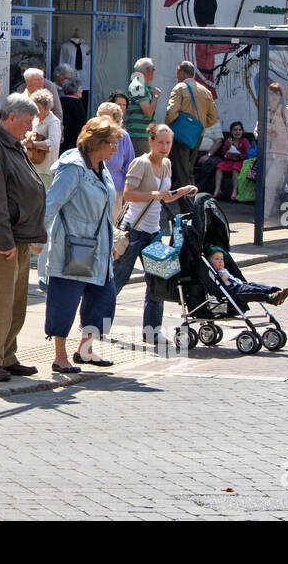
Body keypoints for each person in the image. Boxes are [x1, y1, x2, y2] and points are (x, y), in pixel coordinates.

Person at [0, 94, 47, 382]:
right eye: (27, 122)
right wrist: (4, 241)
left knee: (15, 302)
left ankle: (6, 355)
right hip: (3, 240)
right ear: (11, 117)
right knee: (1, 303)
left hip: (19, 237)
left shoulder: (10, 145)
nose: (29, 128)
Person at [45, 117, 120, 372]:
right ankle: (59, 357)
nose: (115, 148)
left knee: (103, 300)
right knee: (65, 301)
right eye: (112, 142)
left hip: (100, 248)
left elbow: (106, 208)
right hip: (73, 246)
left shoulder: (101, 166)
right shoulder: (73, 167)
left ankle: (85, 351)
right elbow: (51, 204)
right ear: (96, 142)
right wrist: (36, 239)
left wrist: (111, 240)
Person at [111, 123, 197, 345]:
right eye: (160, 142)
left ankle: (152, 332)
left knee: (157, 283)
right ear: (150, 141)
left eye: (168, 143)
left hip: (155, 233)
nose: (165, 147)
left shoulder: (167, 163)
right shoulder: (141, 163)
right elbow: (128, 195)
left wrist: (182, 191)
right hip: (134, 232)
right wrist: (156, 193)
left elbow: (164, 197)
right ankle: (93, 322)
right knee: (117, 279)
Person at [27, 89, 64, 288]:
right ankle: (36, 255)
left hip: (47, 172)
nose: (35, 111)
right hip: (34, 169)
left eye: (38, 107)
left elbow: (52, 143)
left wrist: (35, 143)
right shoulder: (36, 121)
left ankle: (44, 271)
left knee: (45, 219)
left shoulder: (53, 122)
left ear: (46, 106)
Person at [165, 60, 218, 190]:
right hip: (197, 136)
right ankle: (192, 202)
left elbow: (171, 112)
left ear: (182, 72)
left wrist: (168, 128)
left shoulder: (179, 88)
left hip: (180, 135)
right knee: (188, 170)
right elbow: (213, 117)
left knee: (182, 173)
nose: (177, 75)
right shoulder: (206, 91)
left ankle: (188, 206)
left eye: (178, 72)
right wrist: (199, 127)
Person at [261, 81, 288, 223]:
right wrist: (265, 134)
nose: (273, 96)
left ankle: (264, 215)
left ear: (281, 95)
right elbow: (257, 131)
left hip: (283, 154)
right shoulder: (265, 111)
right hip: (268, 154)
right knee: (278, 184)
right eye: (271, 93)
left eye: (276, 93)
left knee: (269, 183)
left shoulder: (286, 111)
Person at [205, 247, 288, 306]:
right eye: (216, 259)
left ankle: (275, 291)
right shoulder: (214, 273)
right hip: (234, 290)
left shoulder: (223, 269)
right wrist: (223, 278)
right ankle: (271, 297)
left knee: (255, 285)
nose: (220, 261)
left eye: (221, 259)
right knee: (252, 291)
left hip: (240, 284)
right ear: (210, 262)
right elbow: (218, 283)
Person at [97, 101, 135, 222]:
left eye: (106, 117)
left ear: (116, 120)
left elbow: (130, 165)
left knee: (112, 224)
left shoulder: (123, 137)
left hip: (116, 189)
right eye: (99, 116)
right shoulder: (93, 136)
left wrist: (127, 191)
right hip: (94, 186)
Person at [126, 58, 161, 156]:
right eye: (153, 69)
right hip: (139, 136)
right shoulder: (138, 86)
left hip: (143, 135)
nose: (154, 72)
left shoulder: (142, 86)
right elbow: (148, 112)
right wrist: (156, 97)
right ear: (148, 70)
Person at [212, 121, 252, 201]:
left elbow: (247, 154)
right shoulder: (229, 140)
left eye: (239, 130)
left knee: (235, 168)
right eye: (235, 130)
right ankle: (217, 189)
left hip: (239, 161)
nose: (237, 132)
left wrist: (238, 157)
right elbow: (224, 152)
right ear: (231, 132)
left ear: (242, 131)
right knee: (219, 167)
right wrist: (229, 146)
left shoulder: (244, 141)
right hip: (229, 160)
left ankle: (234, 191)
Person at [59, 78, 87, 152]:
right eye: (80, 88)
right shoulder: (77, 103)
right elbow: (82, 121)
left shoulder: (60, 100)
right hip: (73, 137)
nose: (82, 90)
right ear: (75, 89)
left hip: (62, 136)